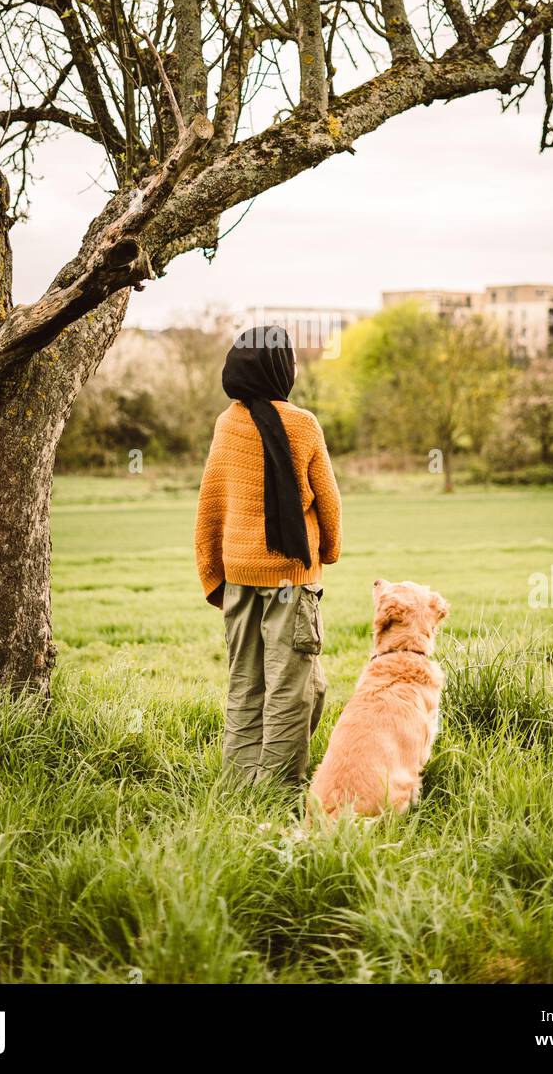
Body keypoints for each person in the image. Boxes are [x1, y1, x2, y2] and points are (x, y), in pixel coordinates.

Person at [194, 325, 342, 787]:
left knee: (246, 684)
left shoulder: (226, 424)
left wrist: (214, 573)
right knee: (292, 690)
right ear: (282, 370)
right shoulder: (303, 424)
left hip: (239, 576)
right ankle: (276, 792)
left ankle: (240, 785)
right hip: (291, 581)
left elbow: (211, 502)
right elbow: (329, 502)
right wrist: (328, 551)